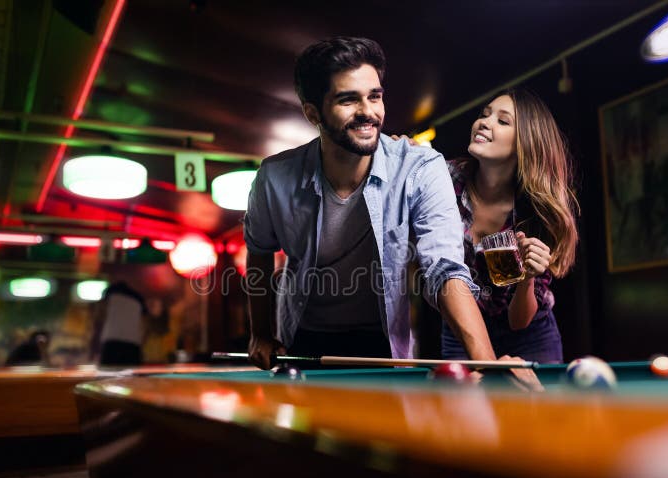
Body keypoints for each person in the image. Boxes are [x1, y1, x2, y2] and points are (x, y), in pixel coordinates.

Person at [243, 36, 540, 388]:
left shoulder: (421, 167)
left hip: (383, 344)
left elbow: (444, 269)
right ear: (313, 113)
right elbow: (259, 251)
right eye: (347, 100)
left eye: (375, 96)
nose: (367, 111)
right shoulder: (274, 177)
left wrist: (486, 364)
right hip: (303, 342)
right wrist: (260, 334)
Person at [441, 89, 579, 364]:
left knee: (535, 408)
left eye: (502, 121)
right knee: (464, 406)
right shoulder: (445, 180)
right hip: (463, 326)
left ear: (525, 143)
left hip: (530, 335)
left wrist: (527, 278)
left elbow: (519, 322)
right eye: (484, 114)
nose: (484, 122)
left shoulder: (538, 211)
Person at [93, 280, 147, 366]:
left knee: (108, 376)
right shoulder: (138, 300)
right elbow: (143, 326)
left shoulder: (110, 295)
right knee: (132, 378)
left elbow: (100, 315)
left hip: (112, 343)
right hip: (133, 346)